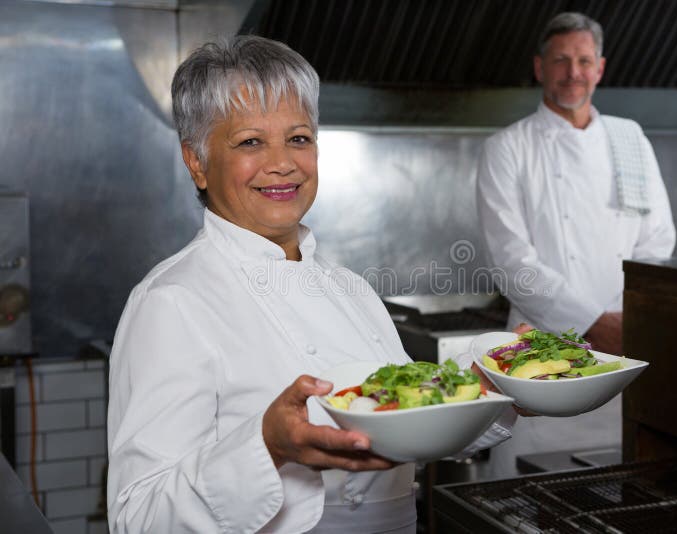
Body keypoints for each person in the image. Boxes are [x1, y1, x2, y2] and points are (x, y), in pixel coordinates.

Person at [106, 36, 514, 533]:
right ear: (196, 162)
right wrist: (267, 447)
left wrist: (497, 389)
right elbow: (139, 517)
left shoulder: (350, 290)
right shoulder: (171, 301)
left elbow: (415, 427)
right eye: (250, 141)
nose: (283, 163)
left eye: (299, 138)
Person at [476, 12, 676, 355]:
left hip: (626, 333)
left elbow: (657, 239)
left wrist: (627, 317)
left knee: (625, 411)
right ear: (540, 68)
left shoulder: (630, 138)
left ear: (599, 68)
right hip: (542, 342)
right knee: (548, 408)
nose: (573, 73)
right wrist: (593, 323)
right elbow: (511, 261)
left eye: (584, 61)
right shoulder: (506, 147)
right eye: (561, 60)